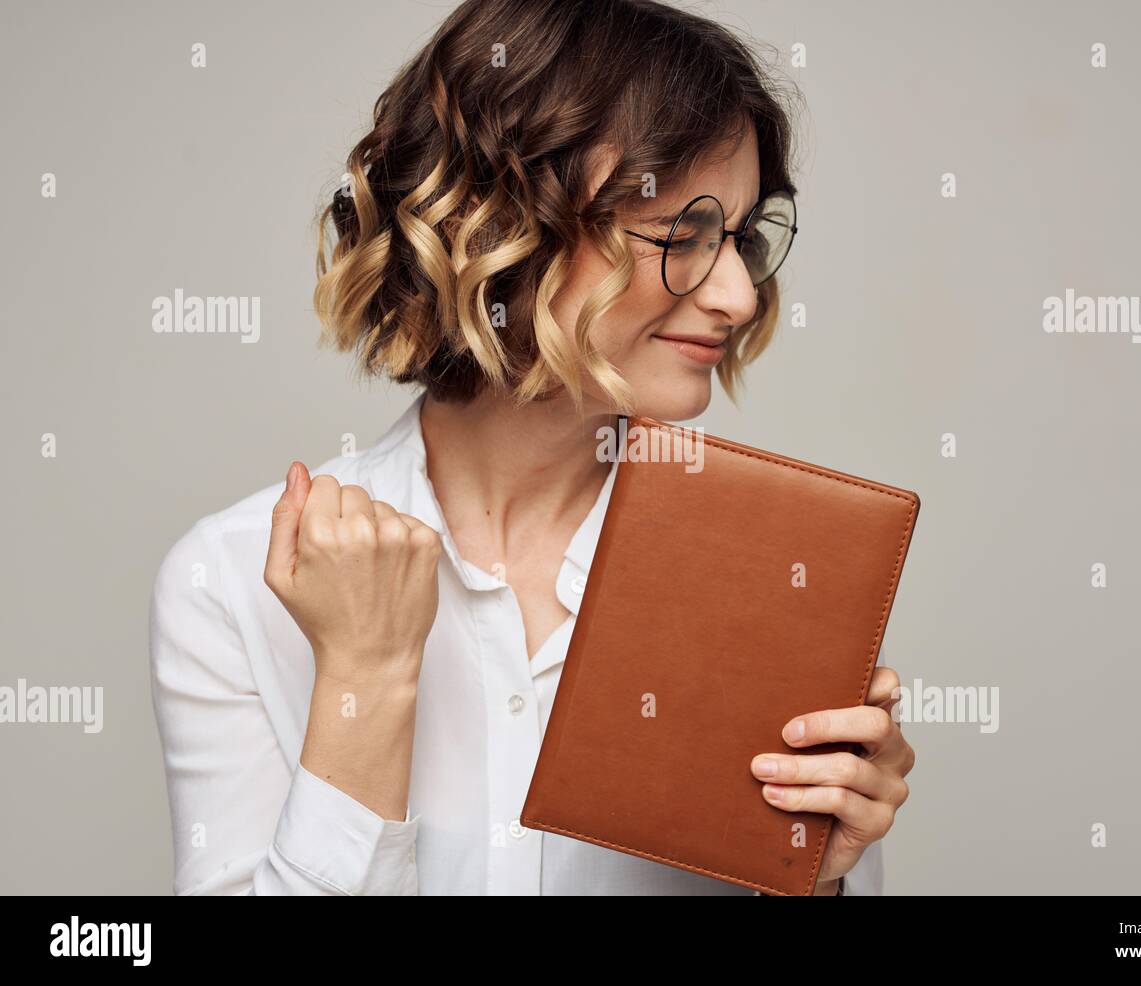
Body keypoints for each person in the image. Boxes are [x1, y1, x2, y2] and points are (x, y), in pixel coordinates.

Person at [148, 0, 913, 895]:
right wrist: (367, 676)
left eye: (741, 239)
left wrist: (818, 876)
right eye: (681, 235)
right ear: (496, 224)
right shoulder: (236, 583)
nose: (739, 297)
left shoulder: (777, 572)